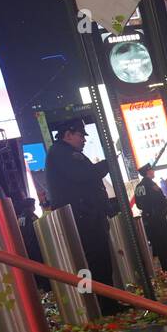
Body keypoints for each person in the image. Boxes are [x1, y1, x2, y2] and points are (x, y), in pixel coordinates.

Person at [43, 118, 122, 315]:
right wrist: (107, 164)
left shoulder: (65, 153)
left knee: (98, 261)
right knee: (93, 262)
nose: (84, 140)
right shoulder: (63, 153)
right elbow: (85, 175)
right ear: (68, 134)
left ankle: (103, 302)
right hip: (83, 218)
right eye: (80, 135)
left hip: (87, 215)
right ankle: (98, 304)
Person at [133, 165, 167, 271]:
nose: (153, 171)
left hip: (148, 217)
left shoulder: (139, 186)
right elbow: (160, 199)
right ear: (148, 172)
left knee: (157, 242)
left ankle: (166, 265)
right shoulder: (151, 185)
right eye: (152, 170)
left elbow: (138, 204)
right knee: (164, 241)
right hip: (157, 216)